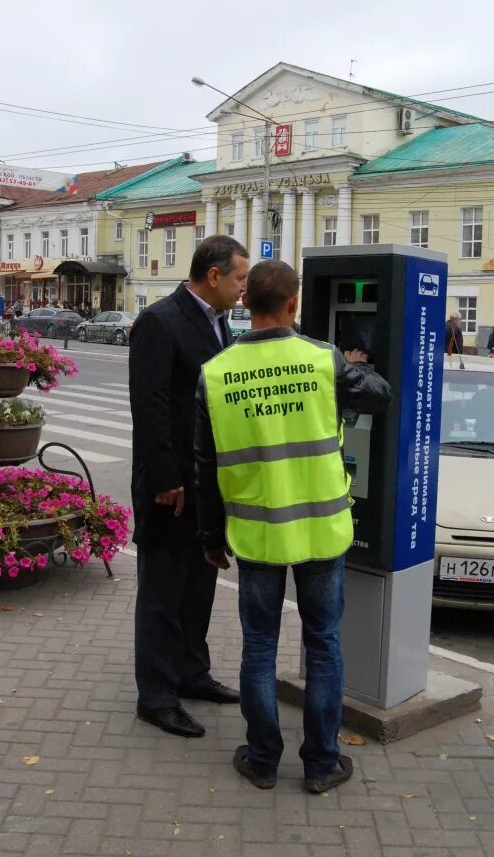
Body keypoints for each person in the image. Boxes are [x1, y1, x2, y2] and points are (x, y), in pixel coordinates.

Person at [194, 261, 393, 793]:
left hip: (257, 533)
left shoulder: (216, 372)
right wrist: (358, 365)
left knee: (259, 645)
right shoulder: (322, 359)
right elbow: (380, 393)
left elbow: (205, 466)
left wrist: (211, 538)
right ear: (293, 304)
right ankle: (322, 764)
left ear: (245, 303)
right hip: (321, 530)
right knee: (324, 643)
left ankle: (262, 760)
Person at [130, 235, 249, 739]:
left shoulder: (221, 324)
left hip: (206, 485)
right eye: (240, 278)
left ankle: (191, 674)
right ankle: (156, 696)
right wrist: (166, 479)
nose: (245, 289)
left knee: (199, 585)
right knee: (162, 590)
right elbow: (151, 406)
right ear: (214, 275)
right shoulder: (159, 321)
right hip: (171, 486)